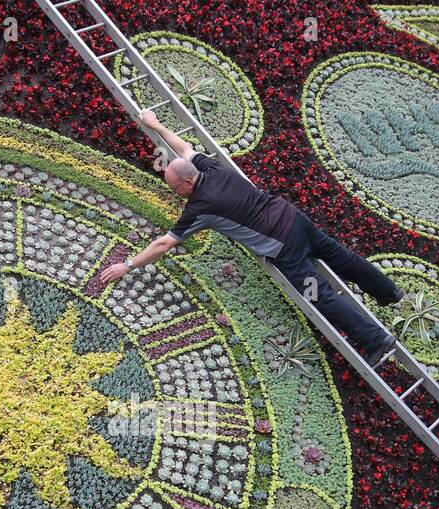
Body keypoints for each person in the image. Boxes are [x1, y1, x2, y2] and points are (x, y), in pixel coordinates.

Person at [97, 109, 401, 365]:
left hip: (283, 245)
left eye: (176, 188)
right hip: (294, 218)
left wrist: (128, 265)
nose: (175, 194)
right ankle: (389, 293)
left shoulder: (201, 207)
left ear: (188, 182)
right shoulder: (209, 168)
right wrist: (156, 125)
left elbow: (165, 243)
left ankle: (377, 340)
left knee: (317, 294)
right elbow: (185, 149)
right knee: (342, 258)